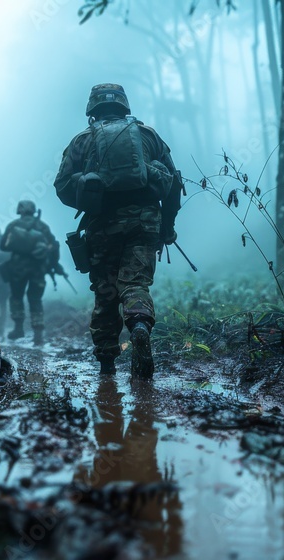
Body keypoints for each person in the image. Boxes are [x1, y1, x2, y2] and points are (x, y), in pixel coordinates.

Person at [54, 83, 182, 376]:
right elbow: (174, 182)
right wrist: (168, 226)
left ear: (92, 110)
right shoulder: (148, 136)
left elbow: (61, 187)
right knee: (136, 284)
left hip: (103, 225)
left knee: (106, 292)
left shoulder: (82, 141)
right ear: (125, 106)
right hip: (146, 222)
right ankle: (138, 325)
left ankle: (107, 365)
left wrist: (88, 189)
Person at [0, 200, 58, 346]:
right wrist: (52, 265)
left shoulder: (13, 225)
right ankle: (38, 335)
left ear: (20, 210)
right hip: (38, 268)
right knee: (35, 299)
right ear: (33, 210)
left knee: (16, 297)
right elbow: (53, 246)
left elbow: (2, 246)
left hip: (17, 268)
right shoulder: (43, 226)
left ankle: (18, 329)